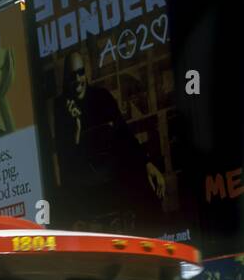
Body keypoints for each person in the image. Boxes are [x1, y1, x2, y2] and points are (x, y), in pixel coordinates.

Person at [51, 50, 165, 232]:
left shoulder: (101, 96)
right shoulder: (61, 109)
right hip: (86, 186)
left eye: (80, 73)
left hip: (112, 177)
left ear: (86, 73)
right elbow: (66, 166)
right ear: (66, 80)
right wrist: (77, 130)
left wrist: (147, 164)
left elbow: (124, 135)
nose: (78, 80)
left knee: (147, 186)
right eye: (72, 76)